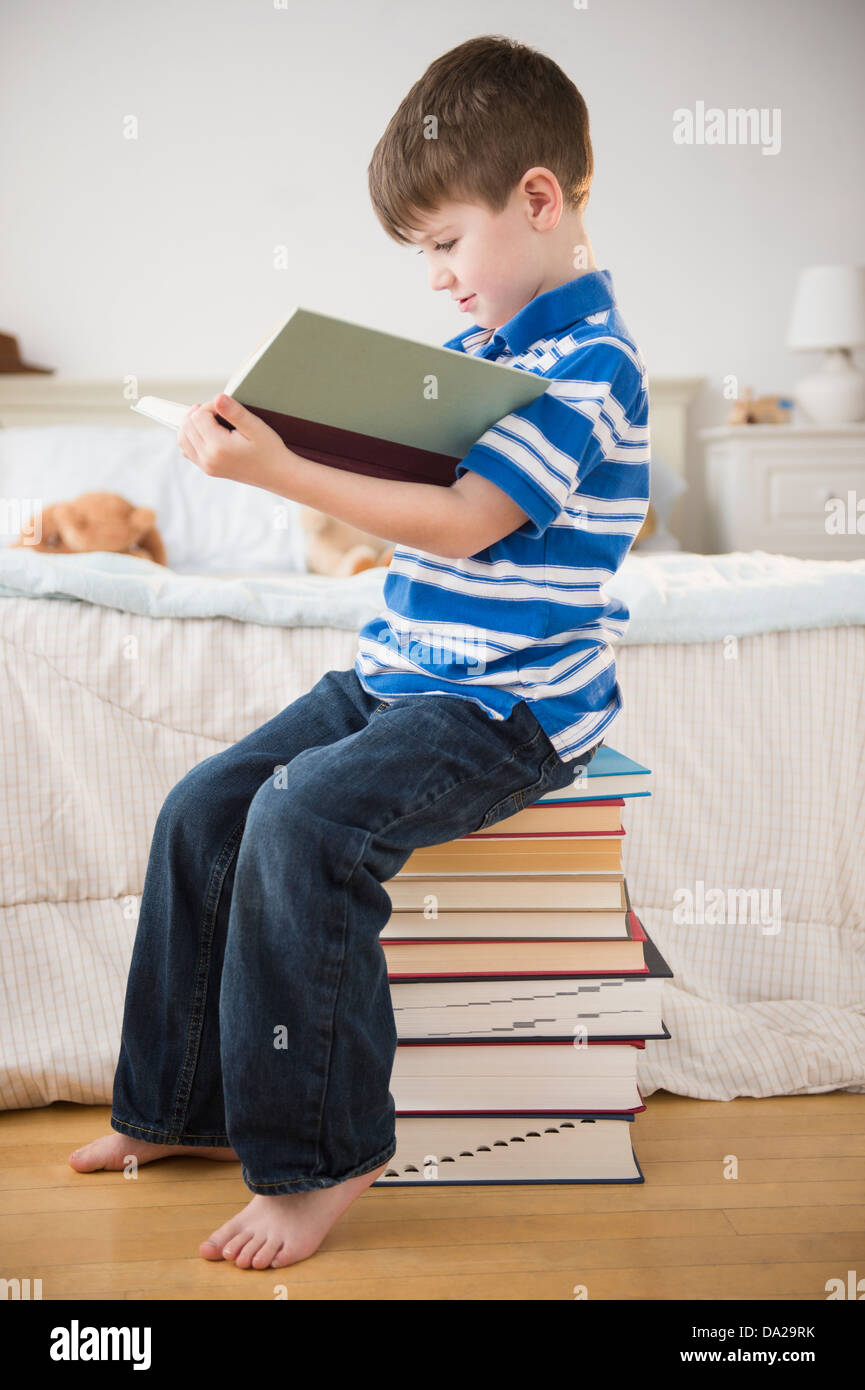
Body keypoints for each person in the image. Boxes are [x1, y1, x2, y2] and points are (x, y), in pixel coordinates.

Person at [69, 33, 650, 1271]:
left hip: (505, 707)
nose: (438, 275)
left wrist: (280, 469)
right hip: (400, 675)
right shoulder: (485, 359)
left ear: (537, 200)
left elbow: (467, 521)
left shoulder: (587, 368)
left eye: (446, 243)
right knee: (202, 807)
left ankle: (322, 1151)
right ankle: (180, 1107)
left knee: (300, 821)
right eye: (426, 254)